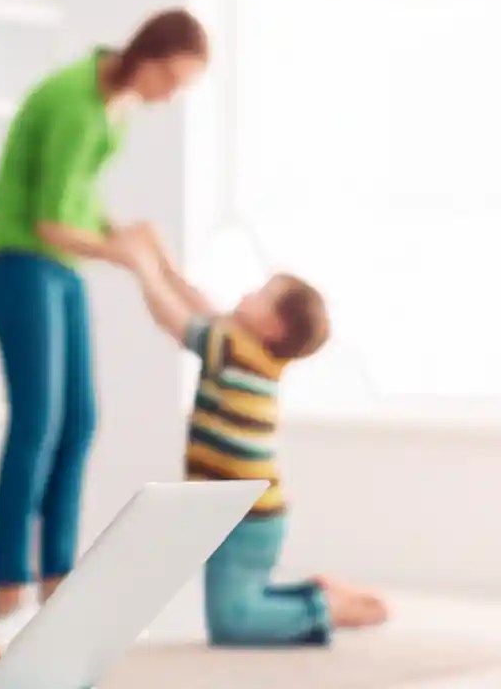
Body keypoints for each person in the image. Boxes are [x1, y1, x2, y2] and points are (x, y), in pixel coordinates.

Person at [0, 8, 209, 635]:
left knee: (78, 420)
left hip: (60, 265)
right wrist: (124, 254)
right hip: (20, 260)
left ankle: (57, 582)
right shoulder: (74, 103)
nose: (169, 98)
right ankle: (7, 590)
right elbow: (49, 221)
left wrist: (123, 233)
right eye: (173, 81)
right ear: (150, 58)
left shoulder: (115, 102)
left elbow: (77, 199)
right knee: (37, 423)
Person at [120, 232, 390, 645]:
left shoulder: (232, 348)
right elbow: (200, 304)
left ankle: (324, 607)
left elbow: (174, 317)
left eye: (261, 294)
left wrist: (142, 268)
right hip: (250, 511)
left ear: (273, 326)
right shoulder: (250, 349)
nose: (248, 293)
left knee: (232, 622)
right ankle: (316, 595)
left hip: (244, 515)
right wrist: (166, 265)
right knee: (243, 602)